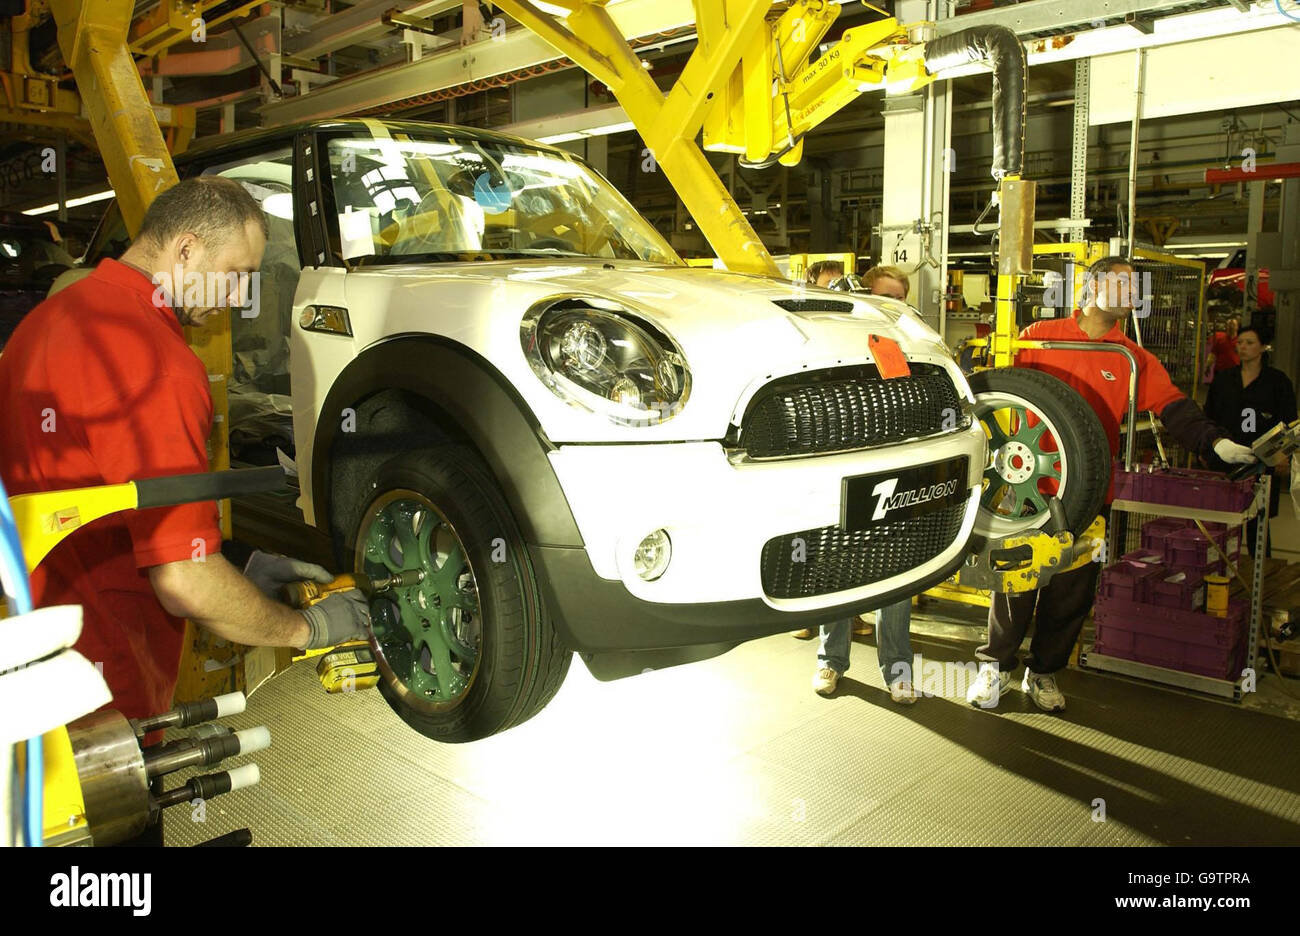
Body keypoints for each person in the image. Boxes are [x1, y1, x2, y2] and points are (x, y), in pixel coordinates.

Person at [0, 177, 370, 739]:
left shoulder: (49, 319)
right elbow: (184, 582)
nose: (239, 295)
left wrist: (236, 558)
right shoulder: (159, 364)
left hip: (25, 651)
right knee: (117, 824)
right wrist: (305, 628)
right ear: (187, 249)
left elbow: (101, 488)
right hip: (99, 689)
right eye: (236, 273)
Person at [965, 256, 1256, 712]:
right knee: (1015, 581)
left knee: (1071, 590)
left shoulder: (1132, 357)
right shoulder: (1039, 338)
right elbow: (999, 393)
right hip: (1029, 489)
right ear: (1092, 286)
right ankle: (995, 668)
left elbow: (1175, 408)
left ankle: (1042, 673)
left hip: (1090, 493)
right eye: (1121, 285)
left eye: (1134, 288)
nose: (1131, 295)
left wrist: (1214, 443)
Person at [810, 265, 919, 705]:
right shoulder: (836, 339)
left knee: (897, 577)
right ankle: (831, 660)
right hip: (843, 475)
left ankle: (897, 671)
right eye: (881, 296)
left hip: (894, 476)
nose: (888, 306)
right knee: (836, 571)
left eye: (897, 299)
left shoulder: (907, 344)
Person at [1204, 324, 1297, 555]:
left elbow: (1289, 424)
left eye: (1249, 343)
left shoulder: (1277, 382)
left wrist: (1282, 457)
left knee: (1259, 525)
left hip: (1262, 464)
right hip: (1225, 460)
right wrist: (1206, 449)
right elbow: (1209, 417)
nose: (1243, 347)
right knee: (1220, 523)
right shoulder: (1224, 380)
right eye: (1240, 343)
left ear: (1263, 347)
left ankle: (1260, 578)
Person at [1203, 316, 1240, 382]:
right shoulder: (1220, 339)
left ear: (1237, 327)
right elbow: (1213, 354)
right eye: (1229, 325)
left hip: (1234, 372)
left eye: (1233, 325)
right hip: (1220, 371)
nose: (1231, 327)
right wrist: (1208, 366)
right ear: (1226, 327)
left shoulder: (1240, 341)